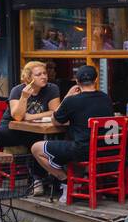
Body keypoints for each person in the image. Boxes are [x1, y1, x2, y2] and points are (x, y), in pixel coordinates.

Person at [31, 64, 115, 194]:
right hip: (106, 150)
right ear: (96, 80)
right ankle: (78, 180)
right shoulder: (106, 98)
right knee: (72, 141)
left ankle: (65, 180)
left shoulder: (73, 101)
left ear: (77, 82)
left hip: (83, 151)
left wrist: (67, 97)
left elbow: (55, 120)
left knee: (36, 148)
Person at [0, 61, 61, 194]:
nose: (44, 77)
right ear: (29, 78)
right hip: (8, 130)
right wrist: (24, 97)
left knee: (38, 138)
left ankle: (39, 179)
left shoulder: (51, 88)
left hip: (33, 130)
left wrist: (32, 117)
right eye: (38, 74)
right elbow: (17, 117)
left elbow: (56, 111)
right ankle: (39, 179)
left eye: (45, 73)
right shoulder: (18, 90)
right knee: (35, 139)